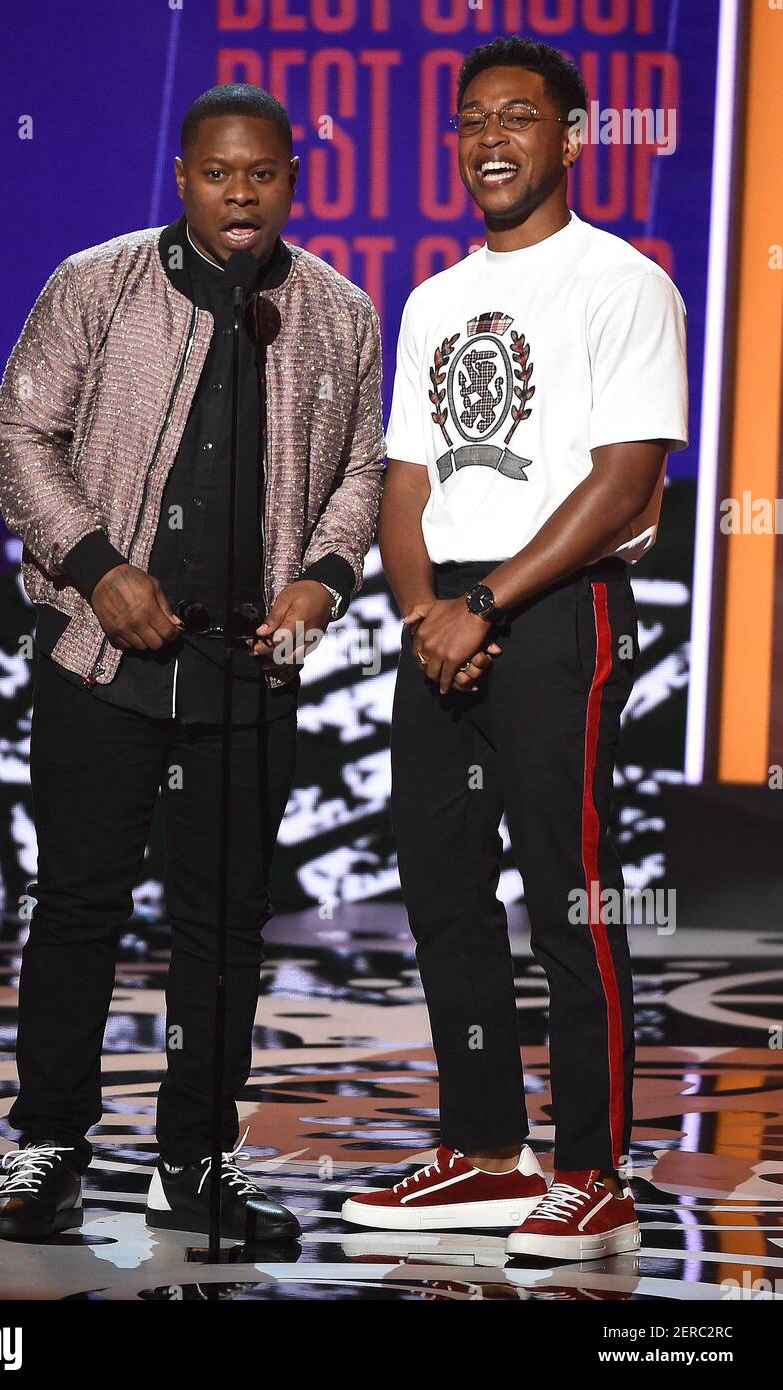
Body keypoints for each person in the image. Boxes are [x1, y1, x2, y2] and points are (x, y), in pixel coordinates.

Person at [0, 83, 384, 1242]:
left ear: (291, 179)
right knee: (76, 907)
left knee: (224, 926)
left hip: (250, 670)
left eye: (262, 173)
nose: (241, 192)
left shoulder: (341, 312)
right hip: (101, 659)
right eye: (219, 173)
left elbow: (363, 468)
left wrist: (327, 578)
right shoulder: (94, 284)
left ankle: (197, 1160)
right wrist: (99, 565)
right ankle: (50, 1145)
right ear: (183, 178)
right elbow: (19, 434)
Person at [342, 36, 687, 1261]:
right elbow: (405, 479)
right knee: (442, 895)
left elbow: (629, 479)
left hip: (557, 614)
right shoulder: (434, 298)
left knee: (568, 897)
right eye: (473, 119)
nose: (491, 139)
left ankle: (595, 1172)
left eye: (520, 118)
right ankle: (486, 1150)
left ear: (572, 137)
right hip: (440, 622)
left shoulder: (623, 281)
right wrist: (425, 610)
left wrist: (482, 612)